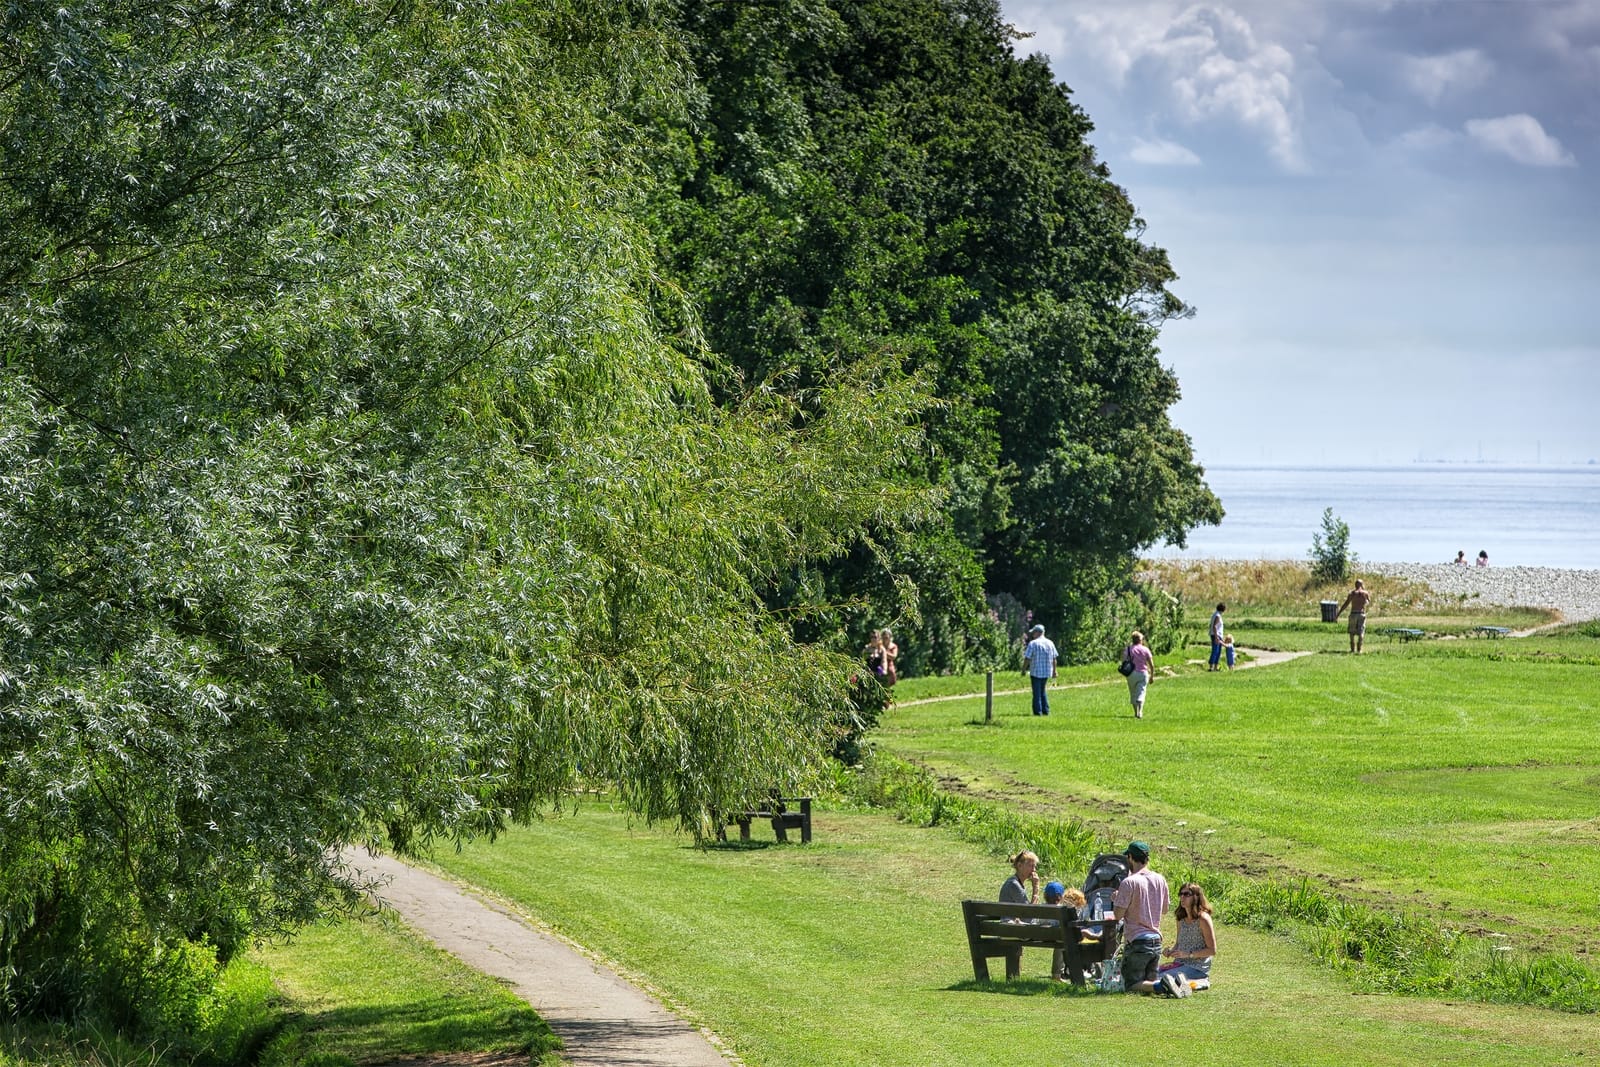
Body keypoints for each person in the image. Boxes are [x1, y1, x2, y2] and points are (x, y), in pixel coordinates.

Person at [1111, 840, 1170, 994]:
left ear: (1130, 857)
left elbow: (1117, 915)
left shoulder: (1129, 882)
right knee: (1147, 984)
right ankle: (1166, 984)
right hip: (1156, 940)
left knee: (1131, 984)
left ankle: (1162, 986)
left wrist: (1118, 900)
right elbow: (1164, 909)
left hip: (1137, 941)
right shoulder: (1160, 879)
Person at [1157, 882, 1217, 997]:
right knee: (1152, 974)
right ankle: (1185, 984)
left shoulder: (1203, 919)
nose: (1182, 897)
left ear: (1196, 897)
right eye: (1180, 894)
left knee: (1162, 978)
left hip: (1197, 967)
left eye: (1186, 894)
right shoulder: (1181, 919)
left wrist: (1189, 954)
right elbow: (1179, 943)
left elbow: (1212, 950)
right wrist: (1170, 951)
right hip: (1179, 964)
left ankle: (1197, 982)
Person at [1044, 882, 1091, 982]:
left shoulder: (1044, 907)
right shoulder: (1066, 909)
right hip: (1064, 936)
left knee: (1061, 941)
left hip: (1044, 934)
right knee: (1065, 940)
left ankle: (1058, 974)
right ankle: (1076, 971)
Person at [1022, 624, 1058, 716]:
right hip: (1046, 672)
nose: (1032, 635)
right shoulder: (1050, 643)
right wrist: (1054, 671)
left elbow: (1027, 658)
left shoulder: (1033, 644)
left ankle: (1038, 712)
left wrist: (1024, 669)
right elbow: (1054, 659)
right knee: (1042, 691)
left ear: (1038, 632)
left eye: (1033, 633)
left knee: (1036, 693)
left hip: (1035, 672)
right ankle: (1045, 710)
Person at [1335, 578, 1373, 654]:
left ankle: (1352, 649)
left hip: (1353, 613)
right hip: (1361, 613)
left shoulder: (1352, 593)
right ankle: (1359, 650)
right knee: (1361, 632)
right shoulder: (1365, 593)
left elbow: (1346, 604)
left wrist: (1338, 614)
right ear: (1362, 585)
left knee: (1352, 633)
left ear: (1355, 585)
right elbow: (1368, 602)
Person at [1124, 631, 1155, 719]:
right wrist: (1152, 675)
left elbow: (1123, 661)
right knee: (1141, 691)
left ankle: (1135, 712)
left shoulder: (1128, 649)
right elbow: (1151, 664)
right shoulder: (1145, 649)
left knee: (1133, 692)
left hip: (1131, 674)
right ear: (1141, 640)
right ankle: (1140, 711)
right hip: (1143, 673)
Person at [1208, 603, 1226, 671]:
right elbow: (1215, 626)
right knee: (1215, 651)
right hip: (1216, 635)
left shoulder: (1215, 614)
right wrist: (1216, 637)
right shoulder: (1218, 616)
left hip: (1216, 634)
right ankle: (1211, 666)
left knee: (1218, 651)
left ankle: (1215, 666)